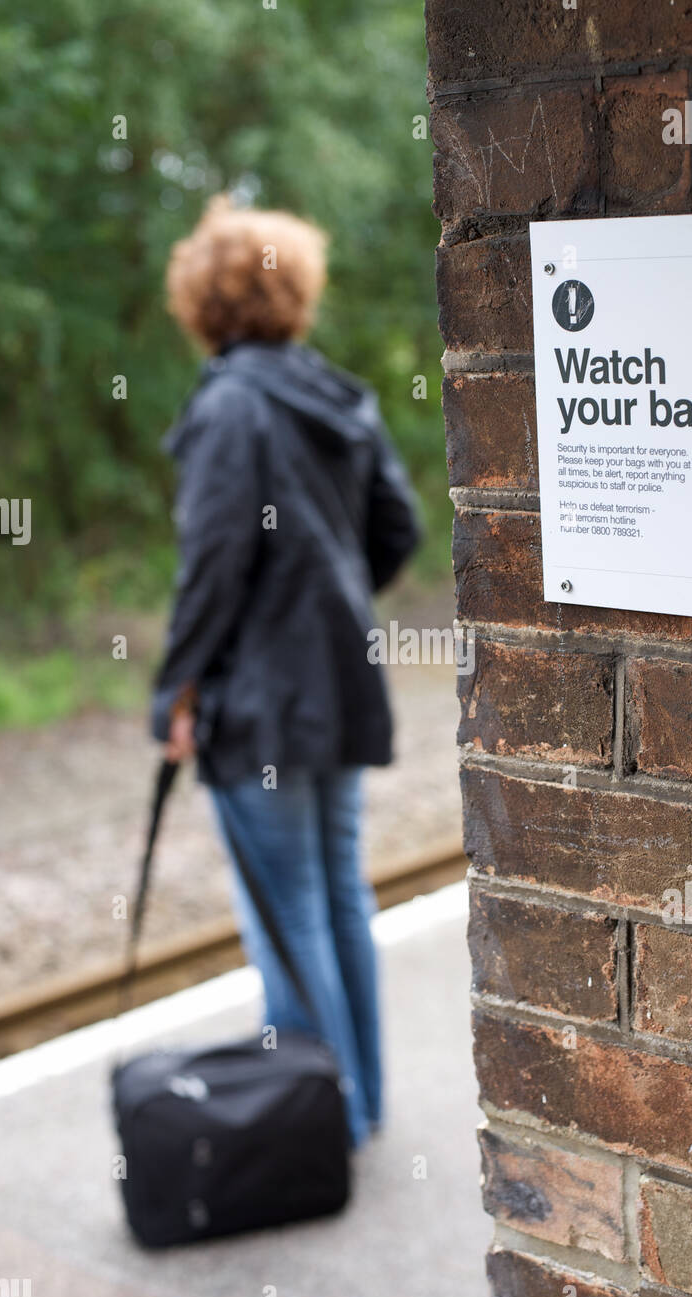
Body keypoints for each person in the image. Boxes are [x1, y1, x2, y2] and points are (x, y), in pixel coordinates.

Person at [151, 195, 421, 1148]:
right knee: (340, 895)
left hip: (259, 705)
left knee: (290, 913)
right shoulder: (338, 395)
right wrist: (331, 603)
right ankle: (357, 1106)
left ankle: (320, 1129)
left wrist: (173, 691)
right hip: (338, 687)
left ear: (203, 301)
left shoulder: (229, 404)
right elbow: (399, 529)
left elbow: (214, 566)